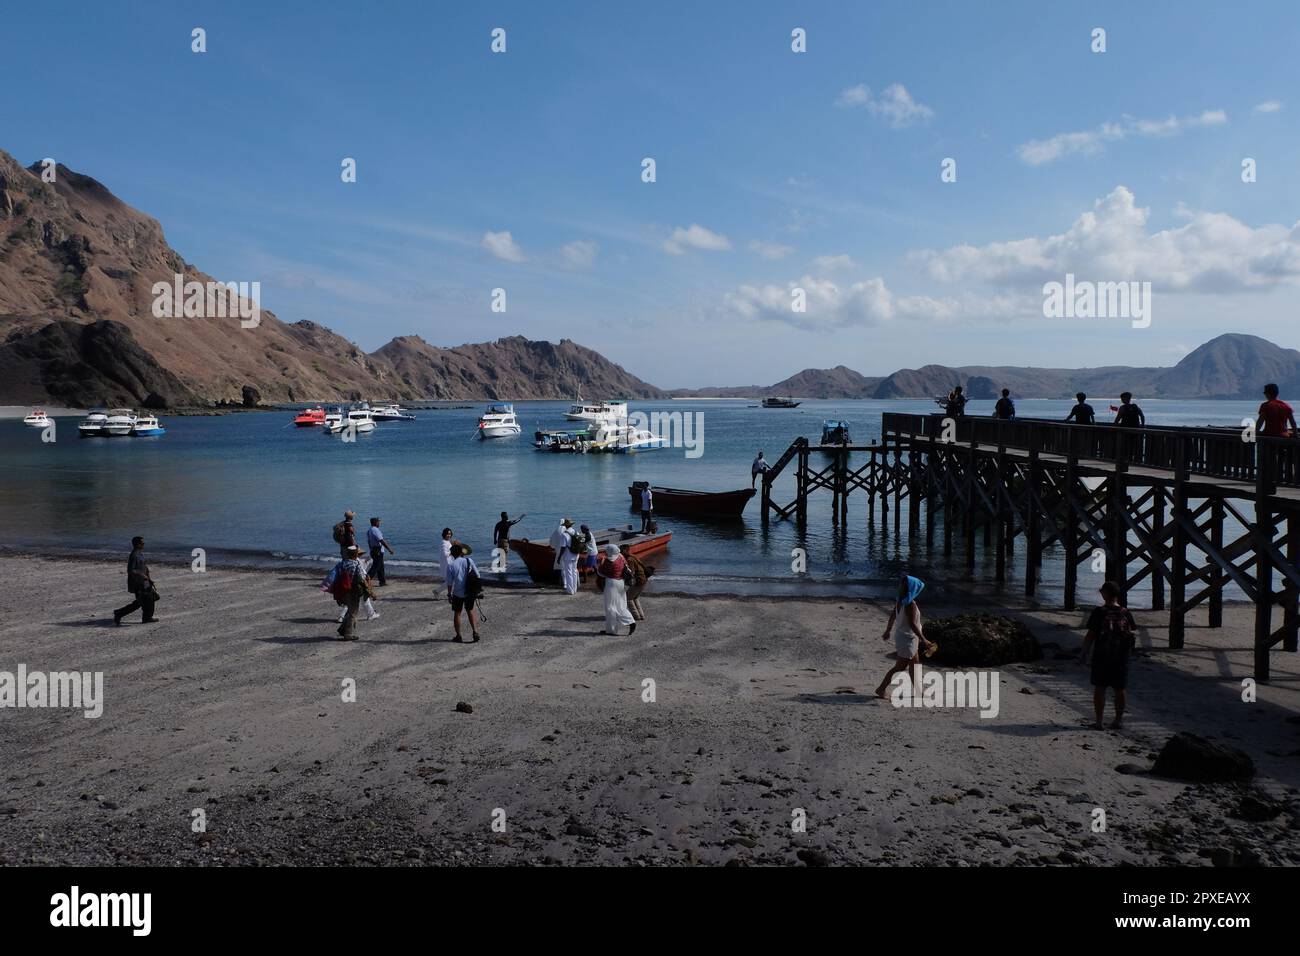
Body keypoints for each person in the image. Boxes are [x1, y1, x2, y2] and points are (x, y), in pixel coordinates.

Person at [1079, 581, 1137, 730]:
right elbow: (1131, 633)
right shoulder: (1125, 612)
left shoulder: (1099, 612)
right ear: (1117, 595)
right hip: (1121, 657)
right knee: (1120, 689)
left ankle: (1099, 722)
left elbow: (1091, 635)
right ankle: (1118, 721)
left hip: (1102, 656)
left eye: (1101, 591)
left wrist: (1084, 652)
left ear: (1105, 594)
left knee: (1100, 688)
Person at [873, 572, 939, 699]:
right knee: (899, 668)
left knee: (915, 665)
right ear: (914, 589)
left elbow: (893, 615)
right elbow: (912, 624)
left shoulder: (900, 601)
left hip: (907, 637)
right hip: (907, 639)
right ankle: (881, 689)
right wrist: (924, 639)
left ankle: (918, 691)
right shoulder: (910, 604)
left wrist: (888, 630)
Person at [326, 545, 371, 641]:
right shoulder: (356, 564)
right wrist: (368, 587)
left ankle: (343, 629)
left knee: (349, 610)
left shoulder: (342, 564)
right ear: (355, 554)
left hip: (343, 590)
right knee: (353, 612)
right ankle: (348, 634)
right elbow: (360, 578)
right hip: (353, 590)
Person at [113, 536, 159, 625]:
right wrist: (143, 576)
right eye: (142, 543)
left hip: (144, 581)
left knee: (147, 600)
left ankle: (146, 617)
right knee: (143, 601)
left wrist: (148, 578)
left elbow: (143, 567)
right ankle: (120, 613)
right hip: (138, 582)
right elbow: (131, 570)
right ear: (138, 544)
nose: (144, 544)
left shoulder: (139, 553)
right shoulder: (134, 555)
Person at [444, 542, 481, 643]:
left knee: (457, 614)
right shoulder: (469, 560)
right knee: (470, 611)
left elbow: (449, 583)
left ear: (452, 554)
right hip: (469, 592)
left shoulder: (450, 565)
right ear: (461, 552)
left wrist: (449, 594)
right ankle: (475, 632)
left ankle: (458, 636)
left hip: (457, 593)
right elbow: (478, 575)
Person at [596, 544, 637, 636]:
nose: (605, 552)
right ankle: (630, 621)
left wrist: (600, 563)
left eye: (606, 551)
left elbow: (600, 572)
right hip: (621, 583)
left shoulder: (609, 561)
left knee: (610, 607)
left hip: (611, 584)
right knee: (621, 604)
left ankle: (612, 629)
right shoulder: (621, 557)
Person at [621, 546, 652, 621]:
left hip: (638, 580)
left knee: (628, 598)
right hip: (643, 579)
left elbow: (631, 573)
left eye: (621, 551)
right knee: (635, 597)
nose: (620, 553)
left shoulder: (629, 559)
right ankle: (641, 615)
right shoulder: (633, 556)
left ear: (625, 551)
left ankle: (636, 616)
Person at [366, 517, 394, 586]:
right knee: (376, 566)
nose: (379, 523)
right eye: (378, 522)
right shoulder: (375, 530)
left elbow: (369, 541)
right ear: (376, 523)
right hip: (377, 550)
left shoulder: (369, 530)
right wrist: (389, 549)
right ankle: (366, 580)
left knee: (380, 566)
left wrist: (371, 549)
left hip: (374, 550)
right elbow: (381, 540)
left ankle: (382, 581)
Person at [558, 519, 581, 594]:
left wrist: (559, 557)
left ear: (566, 525)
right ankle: (575, 589)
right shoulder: (576, 532)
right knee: (574, 571)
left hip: (568, 555)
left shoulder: (564, 534)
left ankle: (570, 590)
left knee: (568, 572)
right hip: (576, 554)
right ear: (571, 525)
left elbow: (563, 547)